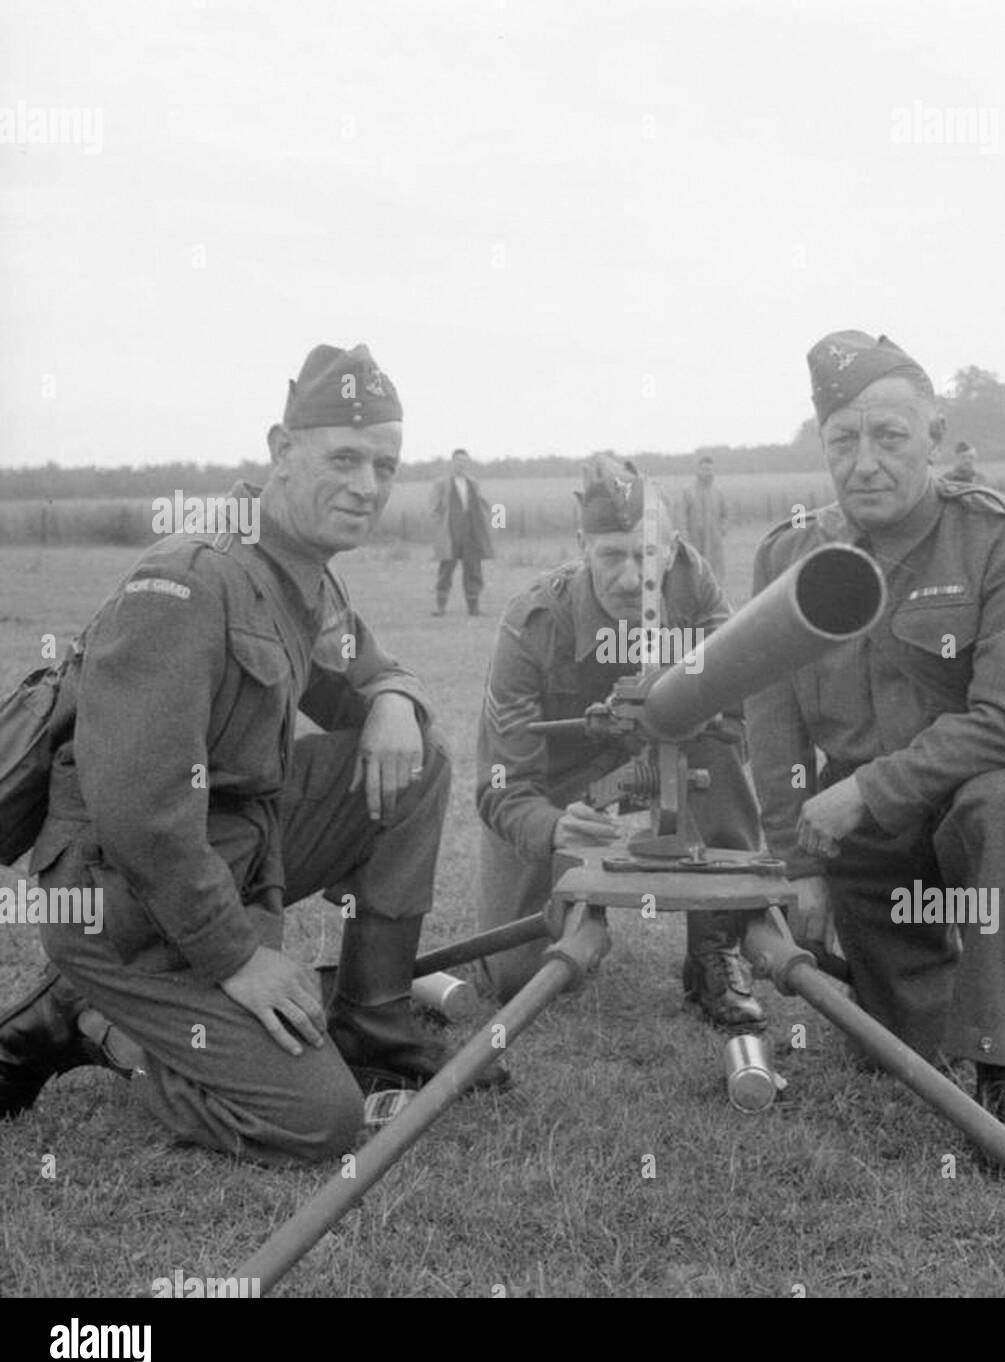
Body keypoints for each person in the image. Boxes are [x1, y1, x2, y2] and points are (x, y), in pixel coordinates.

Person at [0, 344, 497, 1165]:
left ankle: (372, 1026)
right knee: (316, 1123)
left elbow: (363, 665)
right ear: (280, 449)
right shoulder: (190, 583)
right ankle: (96, 1026)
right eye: (344, 457)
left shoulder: (300, 572)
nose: (368, 485)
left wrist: (396, 702)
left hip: (231, 851)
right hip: (120, 897)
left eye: (385, 464)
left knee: (422, 765)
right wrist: (239, 959)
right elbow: (143, 816)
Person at [746, 329, 1005, 1162]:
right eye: (843, 440)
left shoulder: (994, 538)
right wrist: (798, 865)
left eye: (890, 437)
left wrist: (865, 792)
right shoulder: (790, 556)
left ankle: (1004, 1081)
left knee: (999, 805)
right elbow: (773, 722)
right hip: (872, 795)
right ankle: (1002, 963)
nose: (864, 462)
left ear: (934, 439)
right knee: (896, 1046)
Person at [474, 457, 766, 1030]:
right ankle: (583, 911)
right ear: (582, 545)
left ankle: (715, 949)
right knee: (515, 976)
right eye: (611, 555)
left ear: (675, 548)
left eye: (647, 555)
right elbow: (501, 782)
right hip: (563, 779)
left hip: (671, 749)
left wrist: (684, 703)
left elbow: (738, 707)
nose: (632, 578)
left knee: (715, 746)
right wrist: (552, 826)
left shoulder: (695, 584)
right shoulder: (531, 623)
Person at [430, 448, 494, 616]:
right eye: (458, 461)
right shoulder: (442, 483)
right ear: (453, 463)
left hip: (471, 534)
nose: (461, 465)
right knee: (445, 570)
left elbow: (485, 505)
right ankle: (440, 607)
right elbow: (434, 509)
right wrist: (438, 530)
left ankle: (474, 608)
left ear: (467, 463)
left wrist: (495, 521)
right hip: (450, 533)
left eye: (464, 462)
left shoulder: (473, 483)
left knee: (473, 570)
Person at [680, 454, 729, 585]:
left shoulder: (718, 492)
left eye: (710, 470)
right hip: (694, 542)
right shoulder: (688, 491)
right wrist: (684, 538)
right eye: (704, 469)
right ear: (698, 471)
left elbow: (725, 514)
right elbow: (681, 517)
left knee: (715, 576)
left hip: (714, 543)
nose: (707, 473)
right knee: (694, 572)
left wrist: (723, 527)